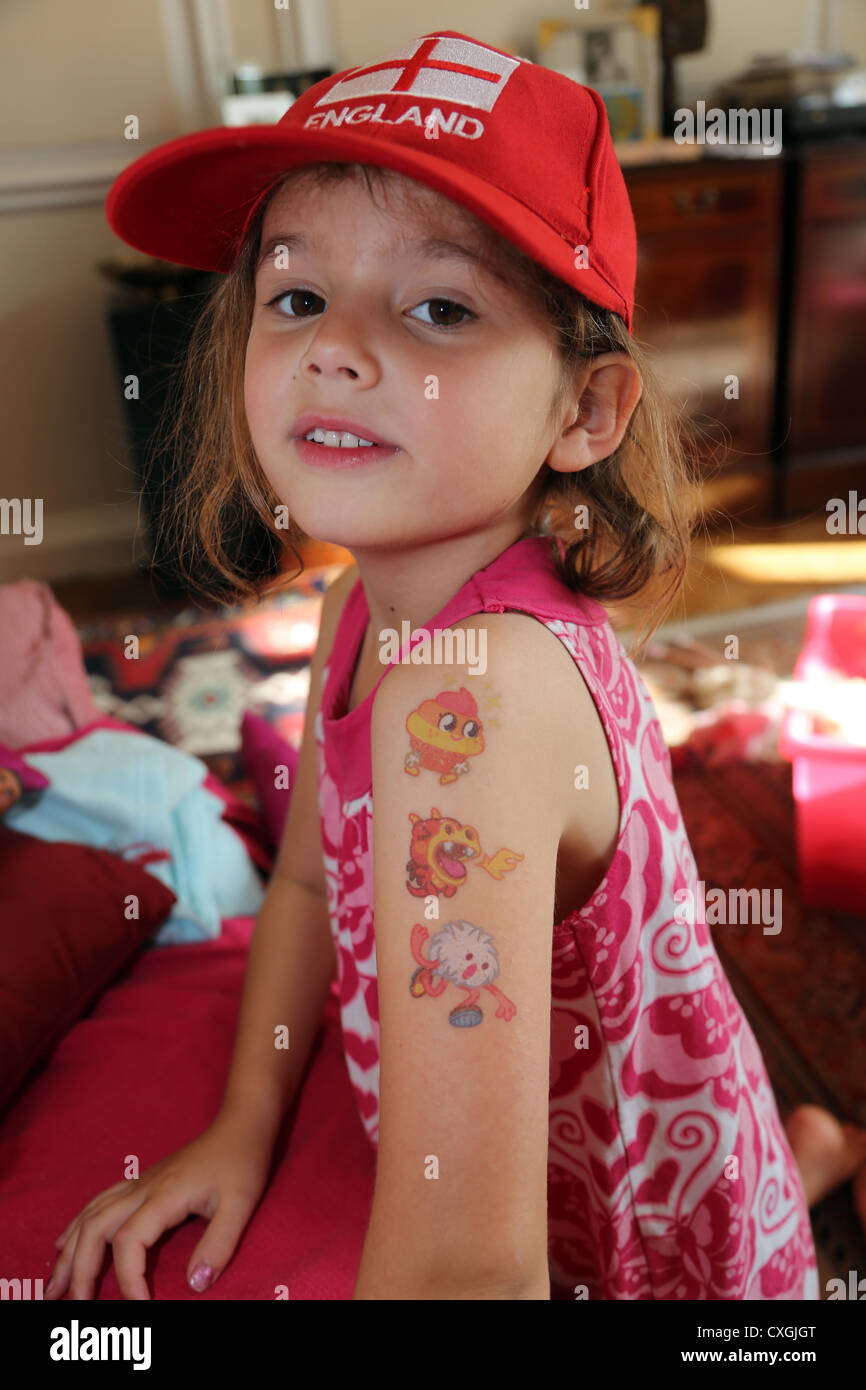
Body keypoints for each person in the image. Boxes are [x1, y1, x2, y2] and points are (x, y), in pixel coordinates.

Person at [46, 30, 866, 1302]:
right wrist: (242, 1125)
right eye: (296, 294)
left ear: (584, 413)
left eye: (438, 306)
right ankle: (791, 1155)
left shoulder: (469, 711)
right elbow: (312, 886)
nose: (335, 346)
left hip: (625, 1253)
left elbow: (465, 1271)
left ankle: (777, 1216)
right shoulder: (353, 617)